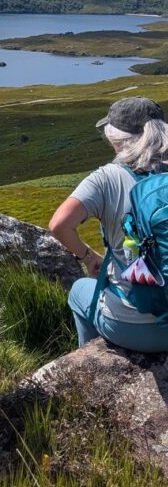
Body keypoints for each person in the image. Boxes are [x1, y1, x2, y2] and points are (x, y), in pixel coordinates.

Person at [49, 96, 168, 352]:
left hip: (131, 328)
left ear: (116, 137)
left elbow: (59, 225)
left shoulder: (107, 178)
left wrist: (88, 256)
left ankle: (89, 361)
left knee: (79, 290)